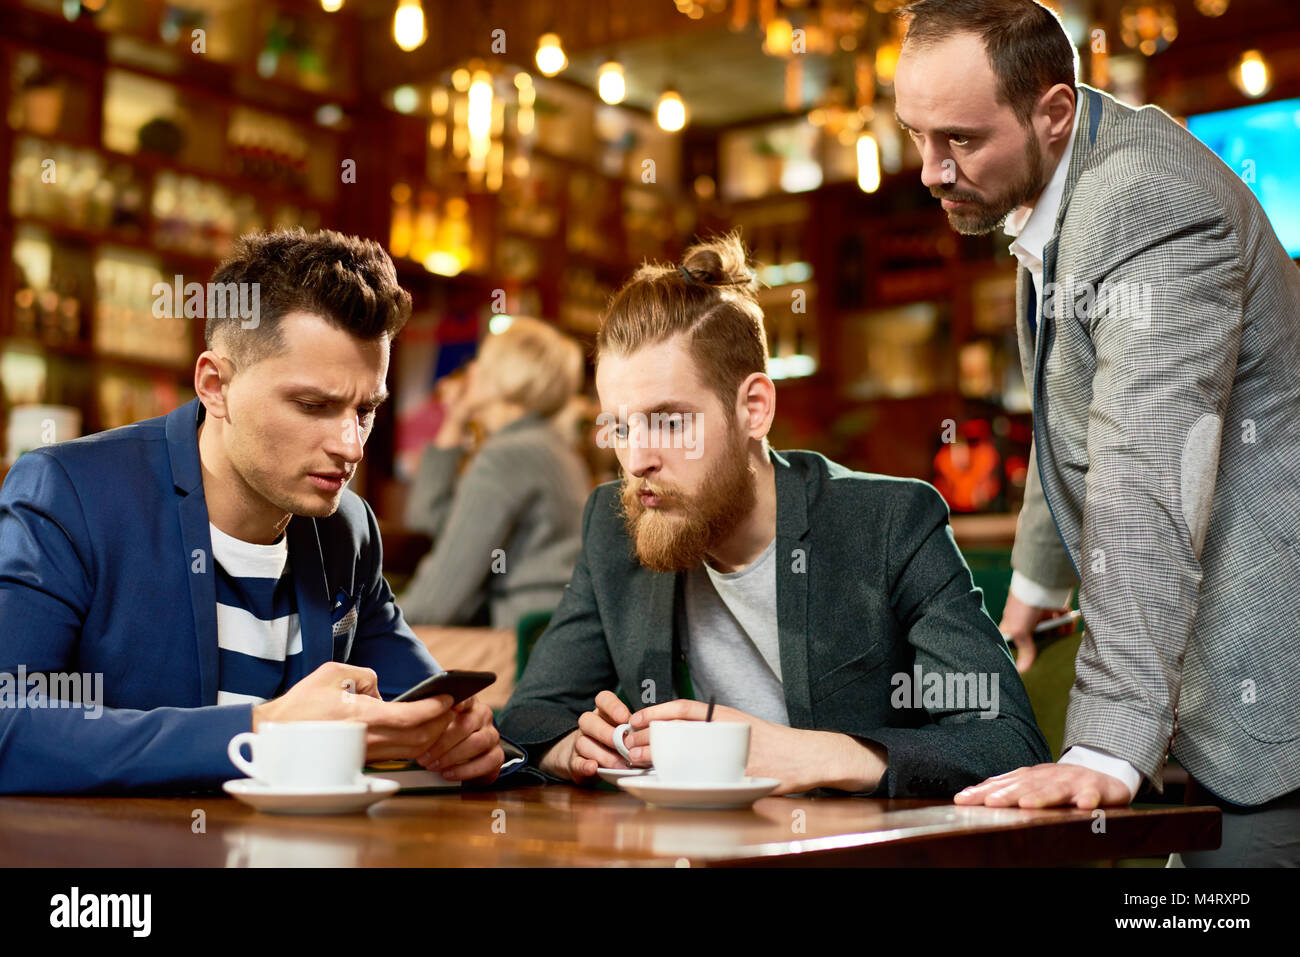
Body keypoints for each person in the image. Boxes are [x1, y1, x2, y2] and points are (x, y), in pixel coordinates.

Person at [893, 0, 1300, 864]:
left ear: (1053, 112)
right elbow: (1073, 411)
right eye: (915, 136)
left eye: (960, 139)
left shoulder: (1146, 203)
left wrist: (1108, 741)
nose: (930, 170)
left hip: (1270, 677)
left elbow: (1144, 465)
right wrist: (1034, 592)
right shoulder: (1067, 183)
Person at [497, 233, 1049, 796]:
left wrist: (812, 755)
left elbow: (1006, 742)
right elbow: (531, 713)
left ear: (753, 408)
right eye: (619, 426)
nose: (636, 460)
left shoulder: (888, 524)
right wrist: (570, 746)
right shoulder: (614, 527)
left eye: (668, 421)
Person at [0, 228, 512, 792]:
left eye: (366, 410)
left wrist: (463, 738)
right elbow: (9, 721)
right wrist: (261, 732)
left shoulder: (348, 528)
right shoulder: (70, 493)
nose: (350, 445)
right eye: (313, 405)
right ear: (215, 386)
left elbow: (426, 706)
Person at [398, 317, 589, 630]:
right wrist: (454, 421)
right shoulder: (549, 445)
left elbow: (438, 600)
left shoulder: (507, 455)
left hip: (521, 641)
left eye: (482, 361)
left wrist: (364, 627)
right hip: (549, 631)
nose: (470, 370)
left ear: (509, 377)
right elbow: (431, 524)